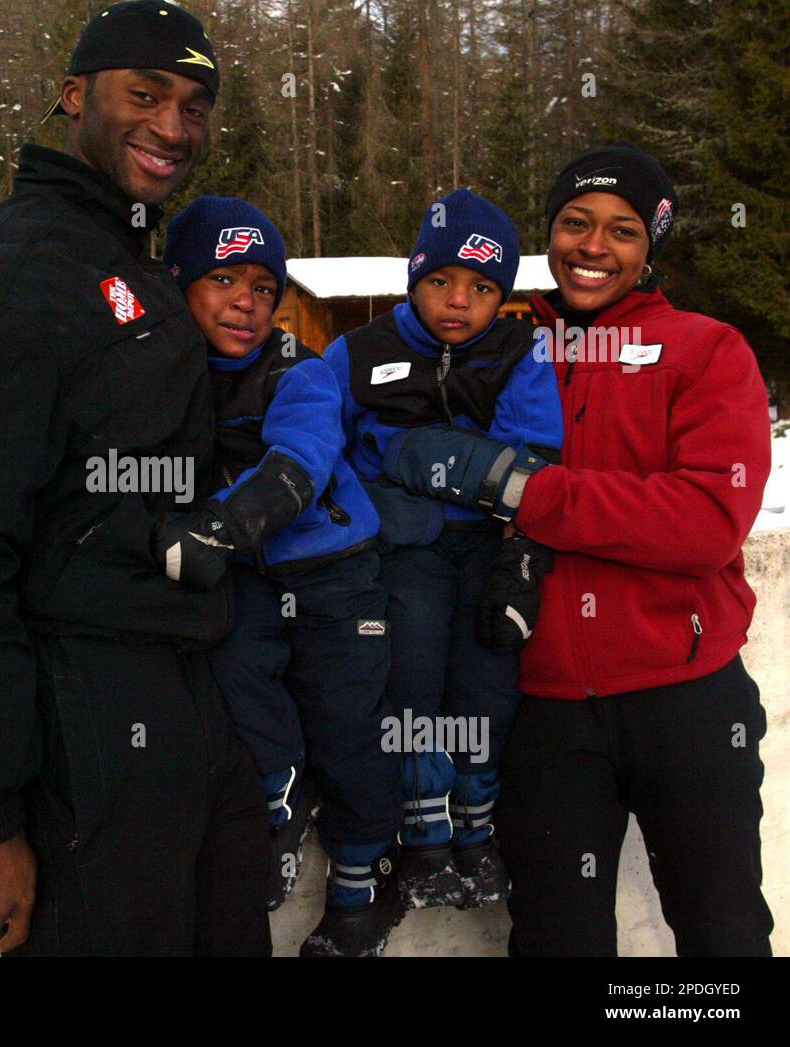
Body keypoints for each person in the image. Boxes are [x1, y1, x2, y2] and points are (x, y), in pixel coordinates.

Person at [0, 0, 272, 957]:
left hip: (187, 703)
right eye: (146, 94)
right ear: (75, 95)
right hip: (85, 721)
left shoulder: (125, 259)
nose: (174, 126)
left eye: (196, 106)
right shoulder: (12, 280)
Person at [381, 143, 774, 956]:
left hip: (688, 699)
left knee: (723, 929)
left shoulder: (706, 349)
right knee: (557, 938)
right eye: (574, 223)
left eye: (623, 230)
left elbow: (707, 520)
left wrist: (520, 487)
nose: (594, 246)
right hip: (544, 709)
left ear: (650, 246)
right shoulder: (503, 347)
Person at [162, 196, 402, 956]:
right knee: (235, 670)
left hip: (333, 570)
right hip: (251, 572)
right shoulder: (163, 371)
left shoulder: (298, 371)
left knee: (345, 717)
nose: (247, 302)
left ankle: (366, 872)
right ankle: (277, 803)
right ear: (179, 282)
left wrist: (221, 525)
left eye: (265, 287)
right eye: (224, 278)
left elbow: (297, 460)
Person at [325, 188, 563, 913]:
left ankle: (477, 826)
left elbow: (534, 458)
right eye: (440, 281)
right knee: (413, 678)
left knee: (487, 685)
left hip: (487, 551)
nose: (458, 301)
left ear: (503, 294)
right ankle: (424, 831)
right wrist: (376, 494)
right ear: (413, 278)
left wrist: (522, 556)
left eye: (482, 287)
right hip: (404, 554)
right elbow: (319, 445)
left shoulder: (519, 351)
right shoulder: (361, 351)